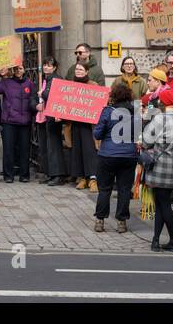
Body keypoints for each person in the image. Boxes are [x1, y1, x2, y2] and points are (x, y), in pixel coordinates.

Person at [141, 83, 173, 252]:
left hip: (159, 166)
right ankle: (156, 240)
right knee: (161, 203)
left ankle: (172, 240)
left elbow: (146, 141)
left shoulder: (159, 118)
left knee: (163, 204)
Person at [92, 79, 139, 233]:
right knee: (124, 189)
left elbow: (97, 134)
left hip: (108, 155)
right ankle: (121, 222)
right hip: (129, 156)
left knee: (104, 189)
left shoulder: (107, 111)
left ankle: (100, 220)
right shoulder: (135, 113)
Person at [0, 64, 37, 182]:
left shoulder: (30, 84)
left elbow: (33, 101)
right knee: (8, 149)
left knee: (24, 149)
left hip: (25, 122)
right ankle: (8, 175)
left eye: (20, 68)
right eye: (15, 69)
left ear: (24, 70)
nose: (18, 71)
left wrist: (34, 116)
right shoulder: (6, 82)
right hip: (9, 121)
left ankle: (24, 175)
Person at [65, 61, 100, 191]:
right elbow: (65, 103)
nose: (78, 71)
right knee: (77, 150)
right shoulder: (70, 86)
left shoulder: (93, 85)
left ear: (86, 72)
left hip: (89, 125)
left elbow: (99, 103)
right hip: (74, 124)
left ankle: (93, 179)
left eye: (81, 69)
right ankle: (82, 178)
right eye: (77, 69)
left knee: (90, 150)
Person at [37, 57, 67, 186]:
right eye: (44, 65)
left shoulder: (56, 79)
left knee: (55, 147)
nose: (46, 67)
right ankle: (51, 173)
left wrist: (41, 94)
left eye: (49, 65)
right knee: (49, 147)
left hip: (55, 118)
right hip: (47, 117)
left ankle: (58, 175)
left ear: (54, 67)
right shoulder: (46, 79)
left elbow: (54, 95)